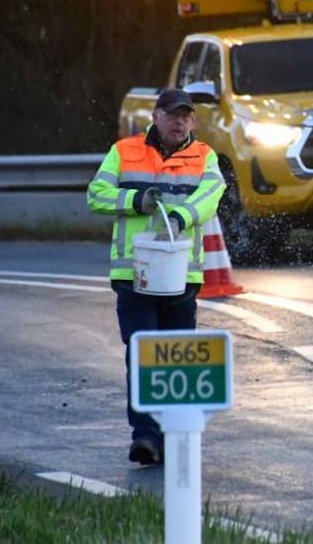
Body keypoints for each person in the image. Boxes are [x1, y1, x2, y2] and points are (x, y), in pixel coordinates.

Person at [87, 88, 225, 465]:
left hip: (180, 276)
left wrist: (181, 217)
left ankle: (173, 433)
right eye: (171, 114)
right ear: (155, 116)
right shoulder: (124, 151)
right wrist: (135, 202)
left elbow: (213, 195)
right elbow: (96, 194)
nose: (179, 122)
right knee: (142, 353)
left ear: (194, 121)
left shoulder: (205, 157)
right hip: (133, 273)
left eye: (186, 116)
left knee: (176, 357)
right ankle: (146, 436)